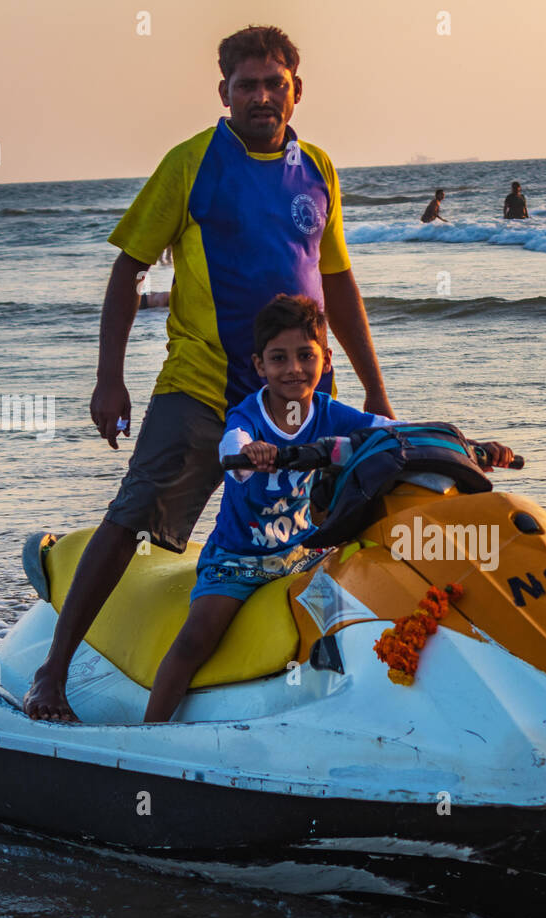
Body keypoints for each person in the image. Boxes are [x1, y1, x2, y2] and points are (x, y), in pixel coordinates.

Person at [24, 24, 394, 722]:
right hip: (199, 386)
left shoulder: (318, 167)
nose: (261, 97)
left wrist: (373, 386)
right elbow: (130, 268)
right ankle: (52, 673)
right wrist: (110, 377)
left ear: (296, 91)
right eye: (246, 85)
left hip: (299, 395)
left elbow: (337, 280)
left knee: (331, 524)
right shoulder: (191, 163)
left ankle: (330, 685)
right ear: (223, 93)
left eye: (273, 84)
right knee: (132, 513)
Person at [144, 293, 512, 722]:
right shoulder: (248, 416)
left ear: (327, 359)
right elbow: (233, 445)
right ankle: (151, 728)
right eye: (278, 358)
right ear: (259, 366)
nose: (293, 368)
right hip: (241, 559)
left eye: (305, 355)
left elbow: (396, 431)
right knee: (196, 638)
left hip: (306, 553)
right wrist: (252, 451)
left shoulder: (332, 413)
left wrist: (471, 448)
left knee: (376, 602)